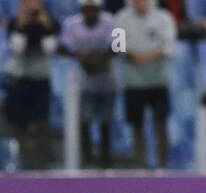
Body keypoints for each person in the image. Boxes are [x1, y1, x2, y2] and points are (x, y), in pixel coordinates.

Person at [114, 0, 175, 169]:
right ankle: (140, 165)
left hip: (157, 81)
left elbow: (169, 46)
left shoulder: (163, 18)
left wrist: (148, 56)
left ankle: (163, 166)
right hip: (133, 82)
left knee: (160, 123)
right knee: (136, 125)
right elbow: (116, 46)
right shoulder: (121, 18)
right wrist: (132, 55)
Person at [60, 0, 116, 168]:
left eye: (93, 9)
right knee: (84, 120)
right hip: (83, 81)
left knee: (106, 120)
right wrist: (80, 56)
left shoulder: (111, 21)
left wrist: (97, 58)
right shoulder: (71, 23)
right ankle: (86, 157)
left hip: (107, 79)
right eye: (87, 9)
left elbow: (118, 46)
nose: (90, 12)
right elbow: (62, 47)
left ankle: (106, 158)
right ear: (81, 9)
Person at [4, 0, 58, 170]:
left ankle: (42, 163)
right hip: (20, 78)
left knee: (41, 122)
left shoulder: (50, 23)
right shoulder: (14, 22)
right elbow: (16, 49)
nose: (31, 7)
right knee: (20, 124)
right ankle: (24, 161)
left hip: (40, 78)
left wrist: (46, 26)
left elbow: (50, 49)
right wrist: (20, 26)